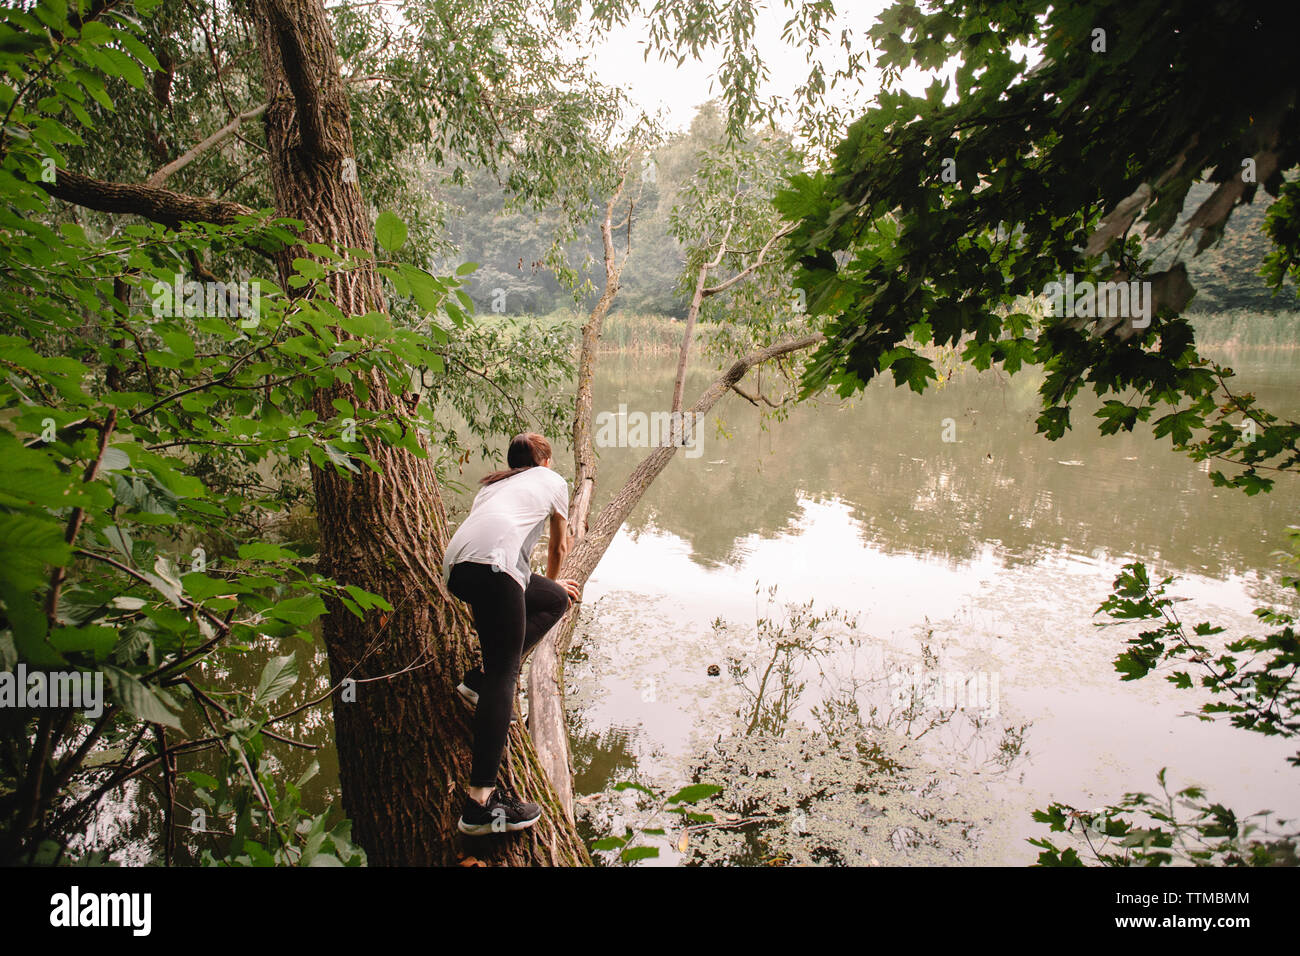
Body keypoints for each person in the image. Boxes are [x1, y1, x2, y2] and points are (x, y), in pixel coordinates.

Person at [443, 432, 582, 835]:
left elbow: (499, 545)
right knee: (506, 675)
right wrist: (554, 576)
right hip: (495, 570)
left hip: (459, 569)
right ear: (545, 462)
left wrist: (550, 588)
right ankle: (479, 804)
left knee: (556, 600)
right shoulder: (551, 481)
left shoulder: (493, 487)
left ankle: (477, 683)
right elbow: (558, 548)